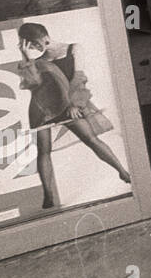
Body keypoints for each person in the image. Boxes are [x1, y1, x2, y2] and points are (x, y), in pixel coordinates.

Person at [17, 23, 132, 209]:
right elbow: (33, 83)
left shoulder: (73, 49)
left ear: (45, 37)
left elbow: (79, 77)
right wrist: (26, 58)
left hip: (68, 105)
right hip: (42, 108)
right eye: (31, 46)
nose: (36, 49)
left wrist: (74, 104)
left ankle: (123, 172)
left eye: (37, 44)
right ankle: (48, 194)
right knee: (43, 150)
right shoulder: (37, 61)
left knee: (91, 139)